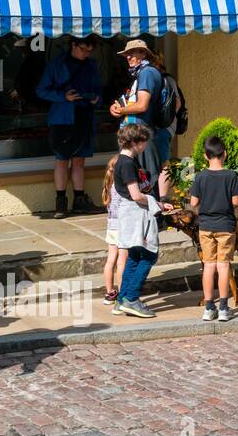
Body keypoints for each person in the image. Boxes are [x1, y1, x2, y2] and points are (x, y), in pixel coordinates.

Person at [35, 34, 103, 218]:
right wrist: (63, 97)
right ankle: (61, 203)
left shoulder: (91, 65)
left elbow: (99, 91)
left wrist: (97, 99)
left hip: (85, 116)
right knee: (62, 159)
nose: (86, 54)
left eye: (90, 51)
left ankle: (80, 200)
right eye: (83, 49)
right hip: (63, 118)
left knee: (80, 160)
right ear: (74, 44)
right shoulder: (57, 64)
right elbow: (41, 90)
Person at [109, 40, 171, 200]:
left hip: (141, 132)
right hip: (137, 132)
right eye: (126, 54)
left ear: (143, 53)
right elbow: (134, 101)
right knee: (141, 174)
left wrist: (121, 110)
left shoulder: (147, 73)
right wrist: (117, 108)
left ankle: (155, 215)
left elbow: (142, 105)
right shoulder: (141, 73)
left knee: (146, 176)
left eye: (133, 52)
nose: (128, 56)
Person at [190, 135, 238, 323]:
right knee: (224, 266)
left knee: (209, 266)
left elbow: (193, 202)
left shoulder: (200, 176)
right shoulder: (230, 176)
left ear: (205, 156)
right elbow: (236, 201)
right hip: (225, 226)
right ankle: (223, 308)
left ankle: (209, 306)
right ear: (225, 154)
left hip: (206, 226)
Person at [112, 122, 161, 318]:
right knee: (149, 254)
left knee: (134, 256)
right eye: (144, 143)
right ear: (135, 142)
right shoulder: (126, 164)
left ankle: (122, 299)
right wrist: (155, 203)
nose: (145, 146)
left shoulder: (128, 161)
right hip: (135, 214)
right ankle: (132, 298)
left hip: (134, 214)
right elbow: (136, 195)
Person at [100, 155, 124, 306]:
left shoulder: (109, 186)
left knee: (110, 260)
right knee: (122, 261)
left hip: (111, 227)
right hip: (122, 227)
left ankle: (109, 292)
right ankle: (122, 293)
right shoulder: (121, 188)